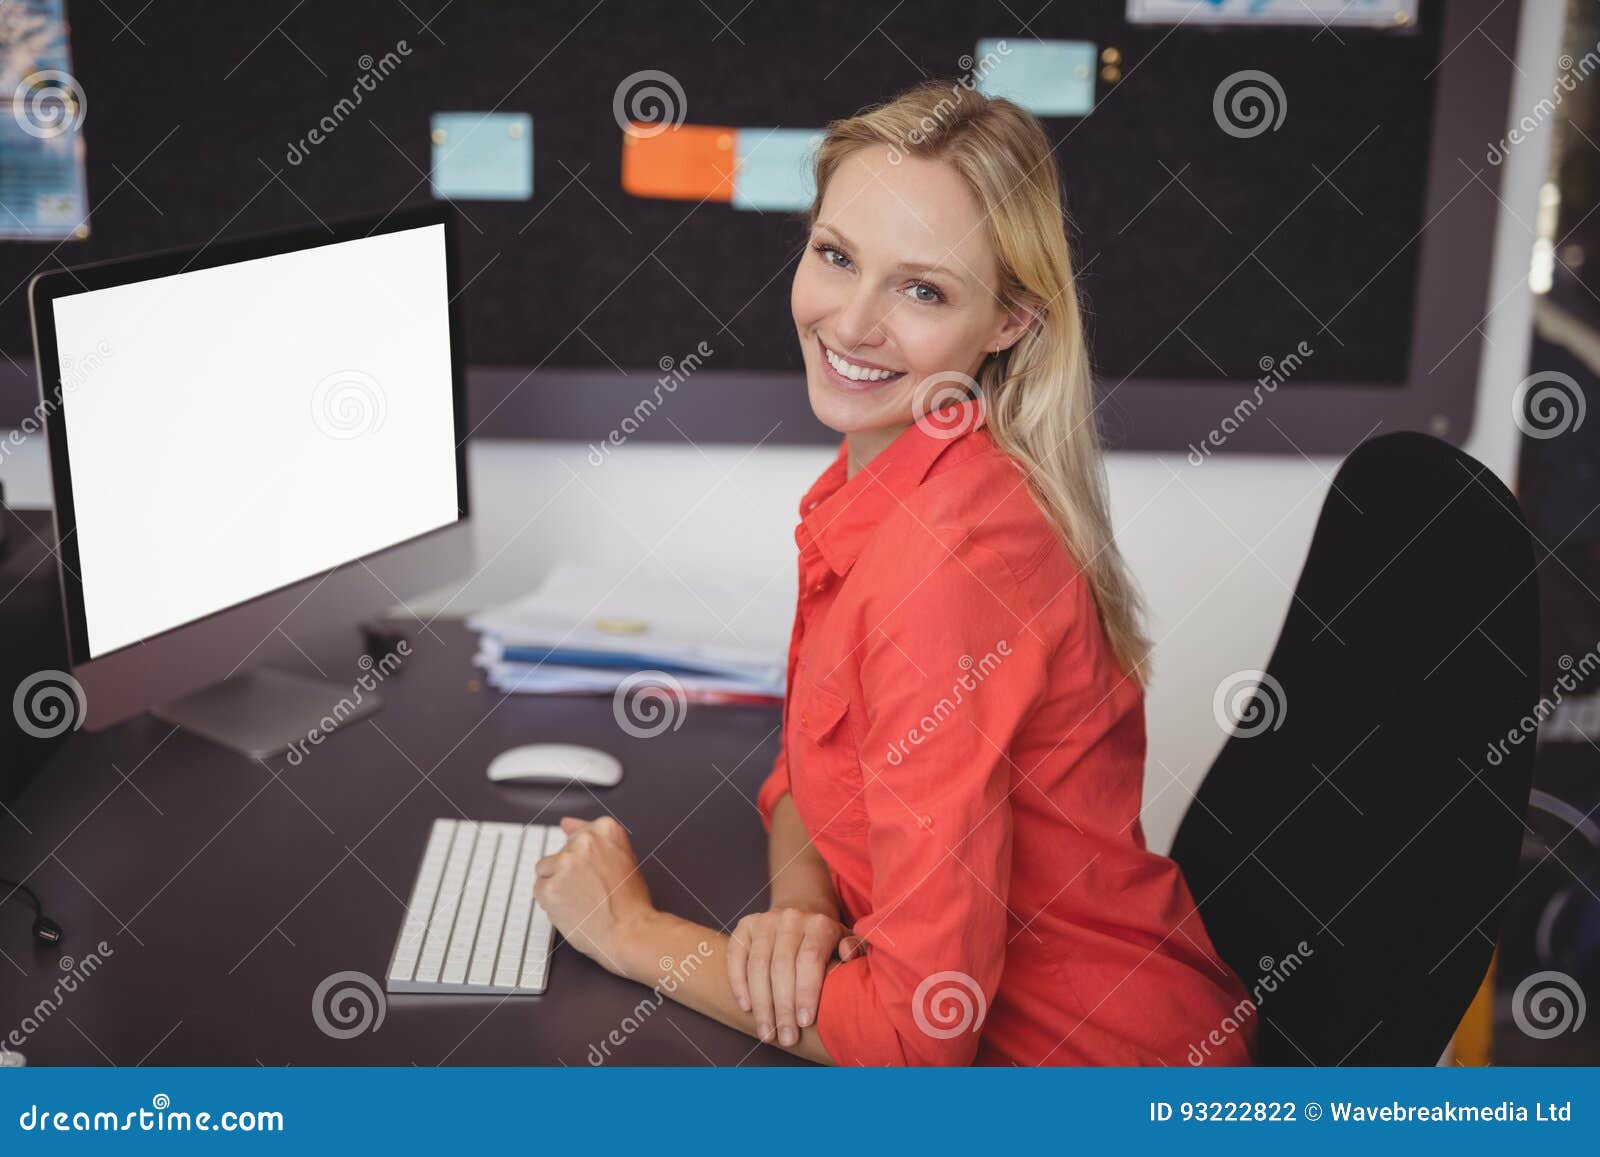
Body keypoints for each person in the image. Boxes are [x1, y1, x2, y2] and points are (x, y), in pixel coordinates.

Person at [534, 81, 1257, 1066]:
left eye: (923, 290)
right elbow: (807, 767)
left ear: (1009, 319)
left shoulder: (946, 565)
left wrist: (629, 932)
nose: (852, 323)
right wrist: (802, 906)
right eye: (836, 256)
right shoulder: (883, 475)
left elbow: (917, 1040)